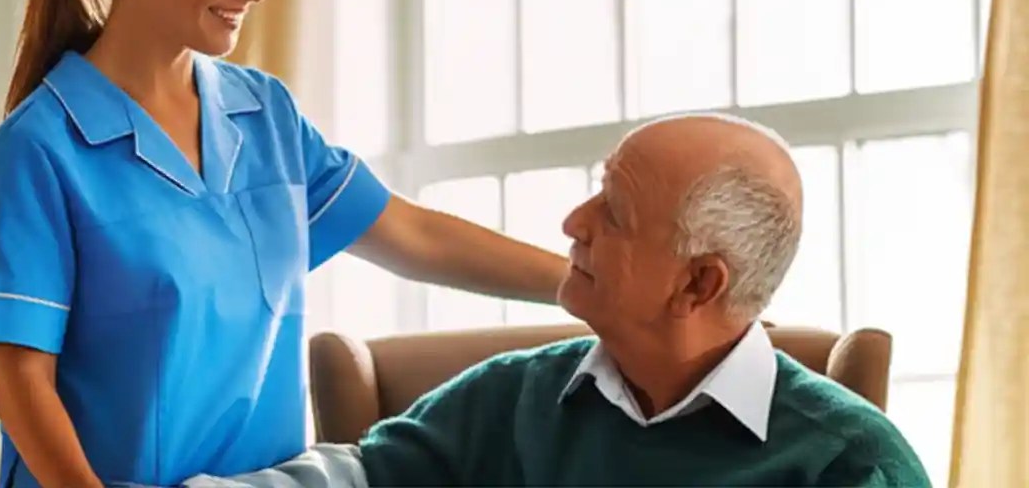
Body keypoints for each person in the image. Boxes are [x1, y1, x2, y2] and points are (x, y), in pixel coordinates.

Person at [0, 0, 567, 488]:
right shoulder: (39, 151)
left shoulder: (266, 115)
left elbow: (412, 233)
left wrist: (583, 288)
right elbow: (21, 381)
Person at [185, 114, 931, 488]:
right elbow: (354, 480)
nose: (574, 225)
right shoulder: (514, 395)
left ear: (700, 283)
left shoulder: (851, 464)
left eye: (615, 212)